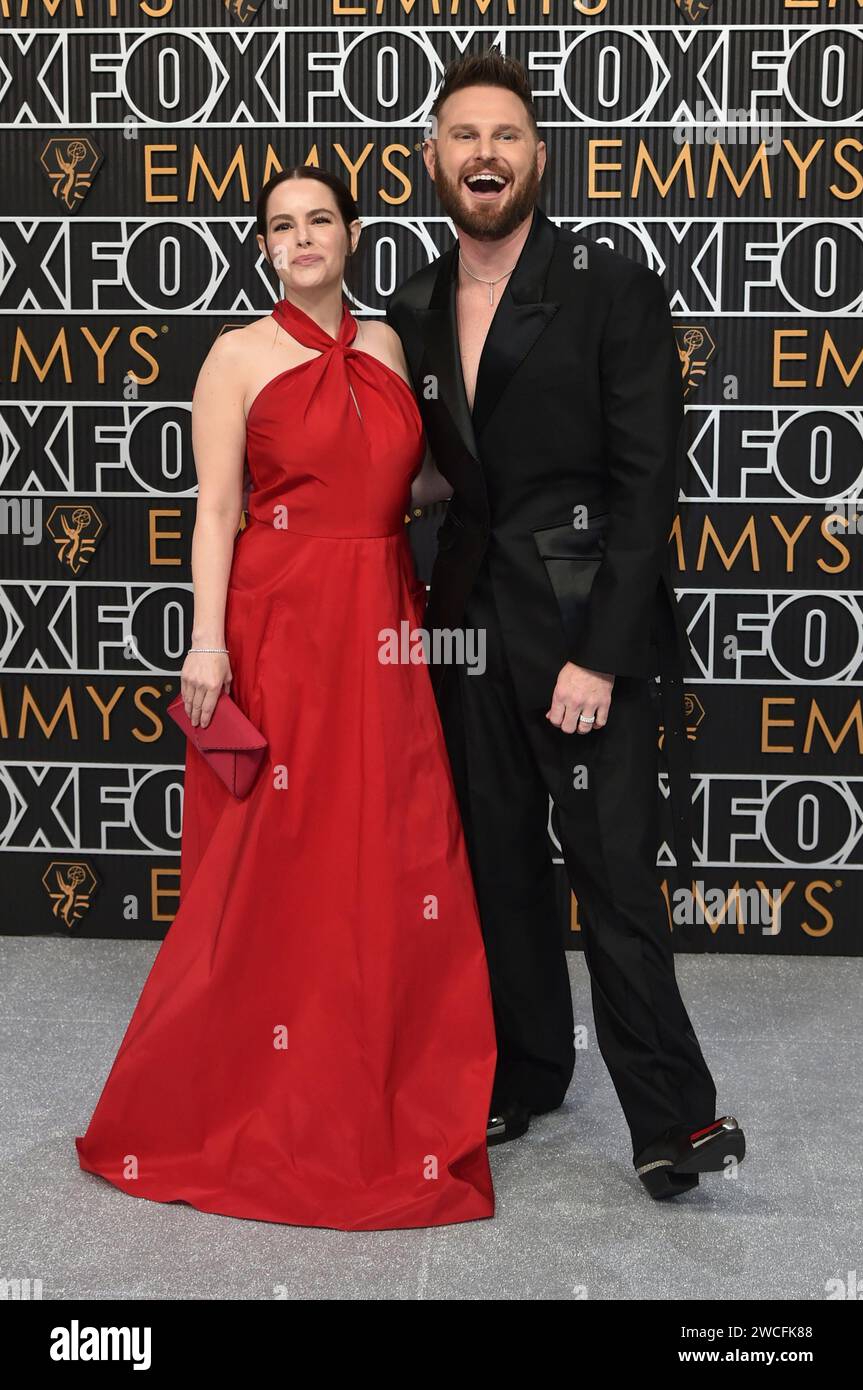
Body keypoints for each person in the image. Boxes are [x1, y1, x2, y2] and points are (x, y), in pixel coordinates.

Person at [75, 168, 498, 1230]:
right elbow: (216, 508)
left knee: (390, 851)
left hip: (382, 618)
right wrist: (207, 645)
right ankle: (241, 1088)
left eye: (319, 220)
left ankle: (371, 1079)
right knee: (269, 859)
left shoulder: (393, 346)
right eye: (281, 226)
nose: (301, 238)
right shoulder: (235, 357)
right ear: (264, 246)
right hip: (279, 622)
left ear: (352, 235)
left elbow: (400, 482)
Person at [386, 50, 746, 1199]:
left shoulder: (611, 287)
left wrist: (597, 650)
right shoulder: (413, 301)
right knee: (496, 872)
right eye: (461, 136)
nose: (482, 154)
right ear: (431, 158)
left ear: (536, 155)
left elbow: (647, 488)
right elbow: (446, 475)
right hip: (466, 631)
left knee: (615, 880)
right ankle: (523, 1071)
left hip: (585, 625)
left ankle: (671, 1121)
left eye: (503, 134)